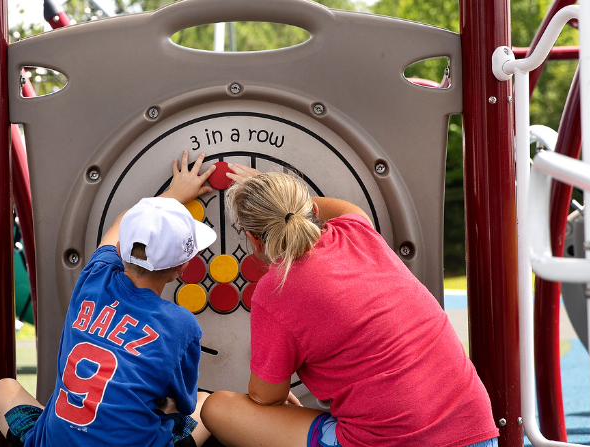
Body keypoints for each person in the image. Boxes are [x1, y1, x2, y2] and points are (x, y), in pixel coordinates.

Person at [200, 165, 499, 447]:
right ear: (313, 210)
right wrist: (274, 194)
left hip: (393, 441)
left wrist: (263, 201)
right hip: (478, 431)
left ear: (253, 240)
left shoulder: (274, 289)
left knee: (216, 408)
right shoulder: (357, 230)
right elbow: (339, 208)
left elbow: (265, 397)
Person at [0, 152, 220, 447]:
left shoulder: (93, 279)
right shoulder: (180, 324)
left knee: (2, 389)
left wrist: (173, 194)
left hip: (51, 443)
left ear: (121, 247)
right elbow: (183, 403)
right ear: (183, 268)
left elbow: (119, 224)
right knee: (207, 405)